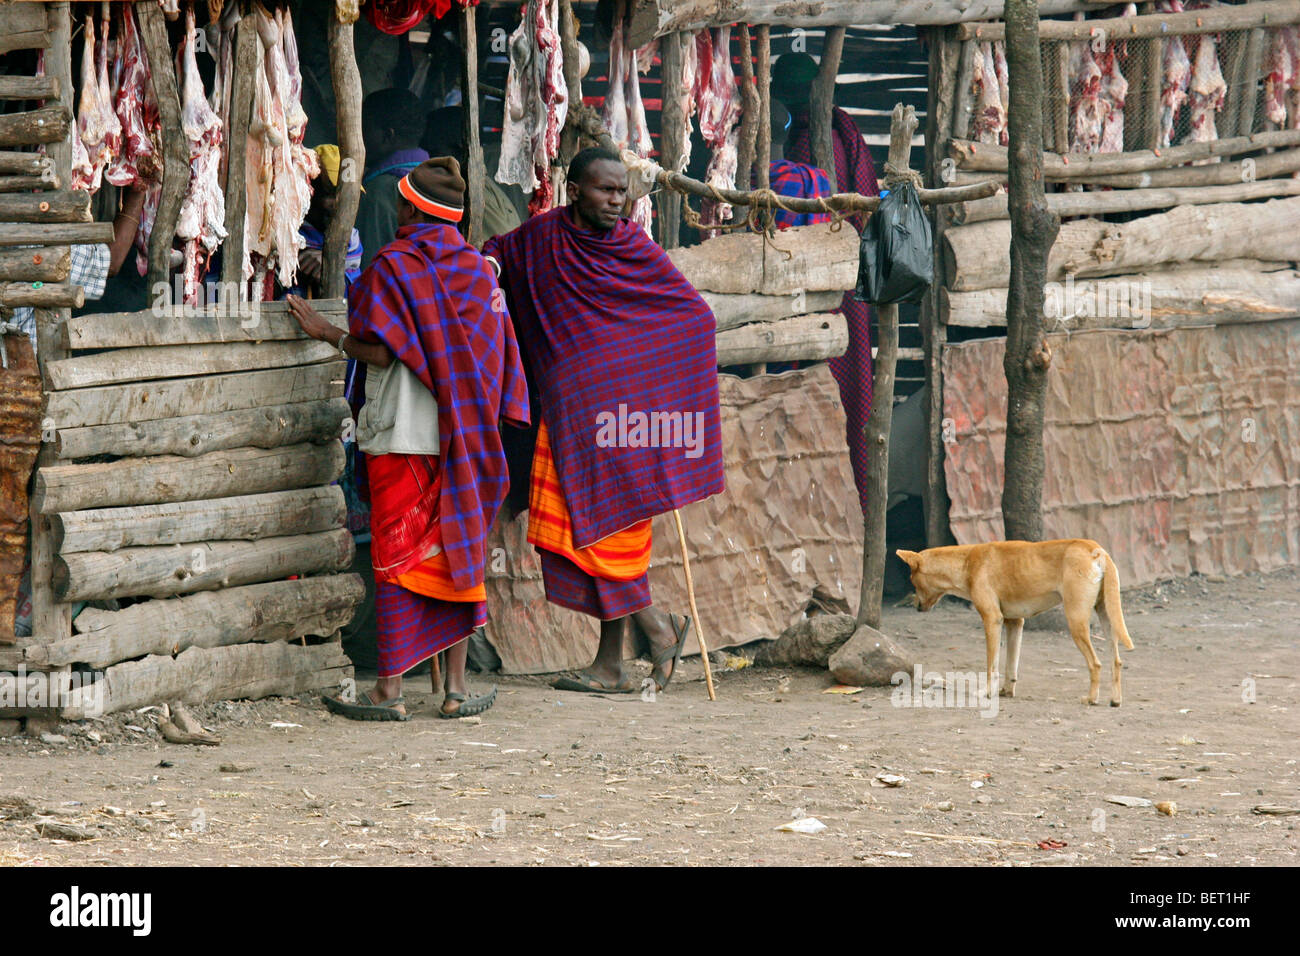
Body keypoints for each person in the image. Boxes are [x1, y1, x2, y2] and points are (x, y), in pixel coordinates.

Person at [288, 157, 529, 720]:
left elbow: (381, 348)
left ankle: (389, 691)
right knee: (458, 549)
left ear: (414, 210)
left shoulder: (395, 266)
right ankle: (454, 692)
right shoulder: (480, 273)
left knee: (396, 556)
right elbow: (498, 360)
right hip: (465, 434)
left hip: (402, 431)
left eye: (399, 201)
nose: (393, 210)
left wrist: (328, 333)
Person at [483, 147, 725, 695]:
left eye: (622, 191)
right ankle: (631, 647)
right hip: (570, 420)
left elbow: (693, 318)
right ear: (574, 189)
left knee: (609, 527)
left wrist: (637, 376)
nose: (617, 201)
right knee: (577, 530)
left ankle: (637, 643)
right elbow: (498, 252)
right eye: (605, 190)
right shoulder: (542, 239)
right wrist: (489, 267)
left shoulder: (634, 247)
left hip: (623, 425)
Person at [773, 52, 881, 518]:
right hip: (845, 293)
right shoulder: (846, 132)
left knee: (820, 389)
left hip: (822, 290)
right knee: (848, 391)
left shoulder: (808, 143)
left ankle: (830, 508)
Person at [420, 106, 523, 244]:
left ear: (458, 147)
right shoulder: (478, 185)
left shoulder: (466, 192)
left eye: (432, 152)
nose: (428, 160)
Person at [355, 88, 429, 270]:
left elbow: (369, 268)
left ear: (388, 135)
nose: (358, 137)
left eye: (363, 129)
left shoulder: (379, 191)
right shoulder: (436, 180)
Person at [288, 144, 364, 298]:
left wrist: (330, 269)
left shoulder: (351, 242)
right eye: (329, 193)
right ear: (309, 191)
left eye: (345, 195)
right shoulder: (288, 235)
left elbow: (357, 294)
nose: (338, 204)